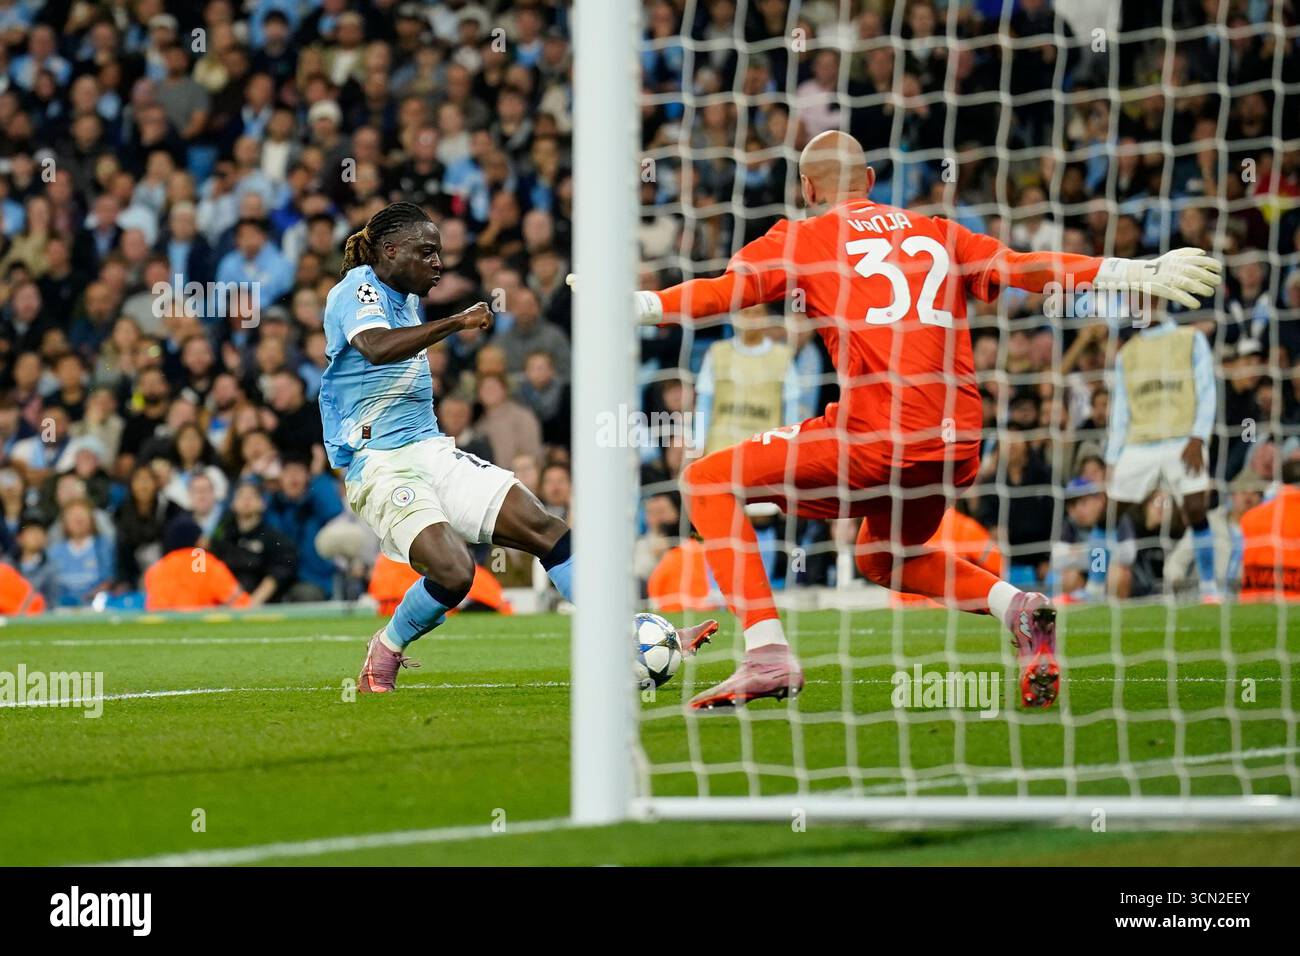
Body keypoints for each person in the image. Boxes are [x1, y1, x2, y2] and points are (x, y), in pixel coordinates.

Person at [620, 130, 1223, 709]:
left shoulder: (804, 237)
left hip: (874, 438)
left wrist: (638, 304)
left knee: (705, 481)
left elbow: (722, 294)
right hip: (954, 446)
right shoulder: (937, 232)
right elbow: (1023, 268)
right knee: (882, 556)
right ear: (873, 181)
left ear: (807, 188)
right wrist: (1130, 271)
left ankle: (766, 652)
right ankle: (1018, 606)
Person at [319, 202, 713, 692]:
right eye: (427, 253)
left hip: (429, 449)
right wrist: (456, 323)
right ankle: (389, 644)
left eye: (440, 253)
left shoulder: (406, 297)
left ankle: (630, 637)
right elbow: (376, 347)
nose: (439, 263)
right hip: (378, 463)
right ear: (389, 250)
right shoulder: (356, 290)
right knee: (455, 572)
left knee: (545, 528)